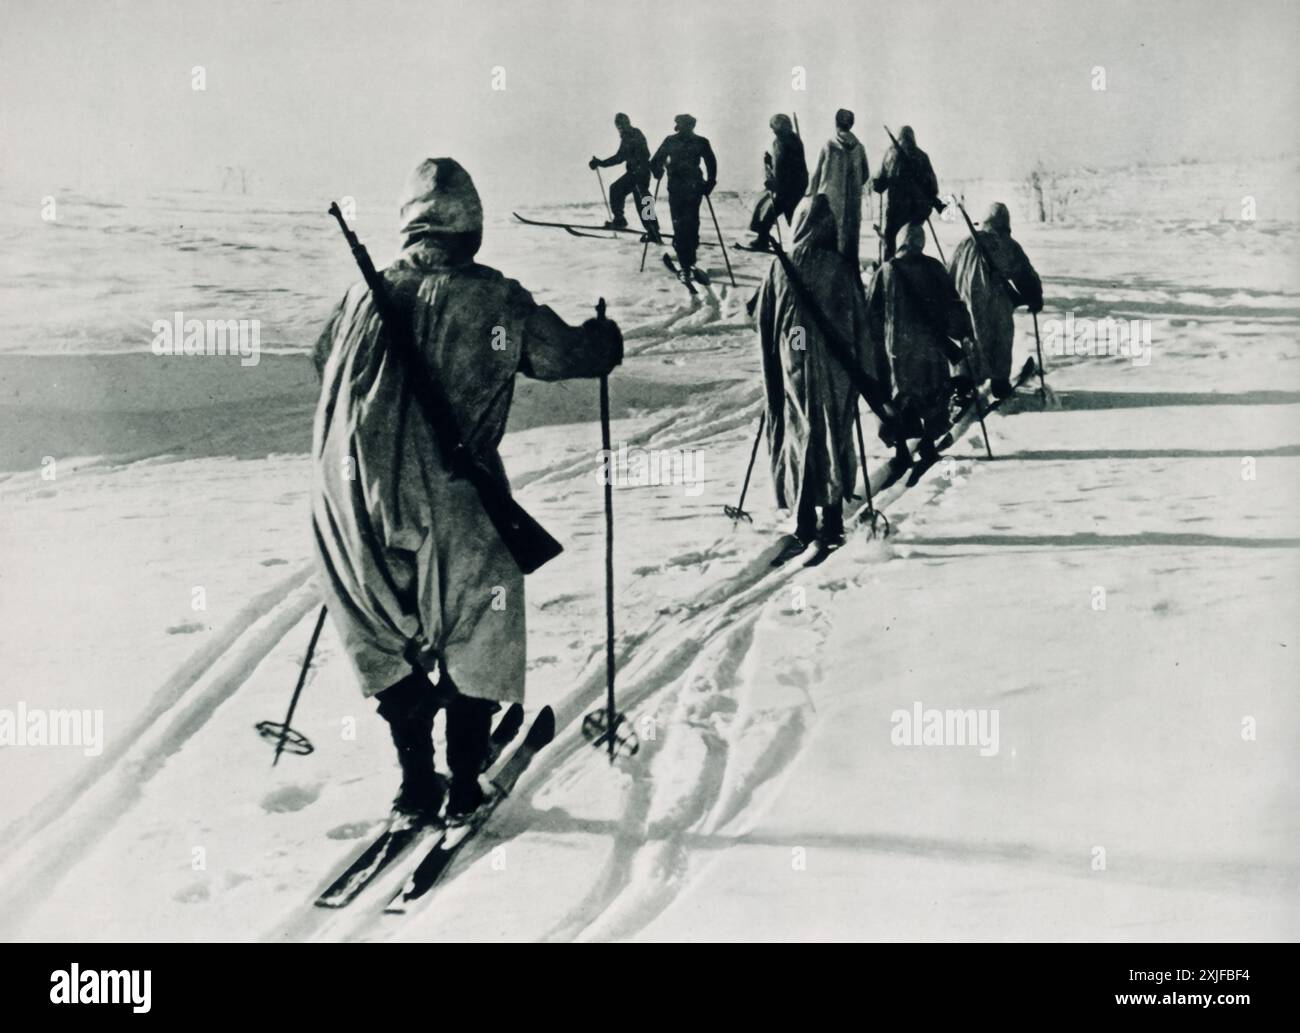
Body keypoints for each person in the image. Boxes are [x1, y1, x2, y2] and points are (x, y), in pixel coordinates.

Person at [310, 158, 623, 823]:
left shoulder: (359, 295)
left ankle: (414, 781)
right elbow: (564, 356)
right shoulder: (494, 300)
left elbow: (321, 362)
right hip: (448, 490)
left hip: (346, 500)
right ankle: (461, 778)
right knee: (482, 612)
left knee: (372, 627)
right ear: (470, 227)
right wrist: (602, 341)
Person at [756, 195, 878, 564]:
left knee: (799, 433)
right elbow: (858, 320)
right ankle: (832, 519)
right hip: (835, 369)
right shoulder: (839, 268)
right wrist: (867, 372)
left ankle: (804, 518)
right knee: (831, 432)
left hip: (793, 365)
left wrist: (778, 364)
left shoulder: (779, 267)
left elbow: (763, 320)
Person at [866, 224, 973, 476]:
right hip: (930, 346)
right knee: (934, 394)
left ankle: (902, 449)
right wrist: (963, 330)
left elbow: (872, 313)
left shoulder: (886, 270)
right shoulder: (934, 267)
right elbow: (952, 303)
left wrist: (873, 345)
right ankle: (927, 444)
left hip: (897, 347)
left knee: (901, 396)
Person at [948, 201, 1043, 398]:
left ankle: (964, 382)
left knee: (971, 338)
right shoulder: (1005, 244)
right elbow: (1024, 273)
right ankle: (999, 382)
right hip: (994, 301)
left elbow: (949, 272)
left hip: (964, 300)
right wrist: (1034, 297)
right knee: (1001, 336)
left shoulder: (965, 243)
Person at [650, 114, 717, 283]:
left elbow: (711, 163)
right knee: (686, 226)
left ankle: (687, 263)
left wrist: (710, 183)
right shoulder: (695, 141)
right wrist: (657, 170)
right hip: (685, 188)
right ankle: (687, 263)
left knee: (686, 226)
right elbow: (655, 161)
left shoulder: (688, 141)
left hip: (687, 188)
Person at [804, 108, 870, 263]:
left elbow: (816, 173)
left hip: (829, 202)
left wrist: (810, 195)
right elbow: (865, 175)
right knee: (849, 240)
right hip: (852, 204)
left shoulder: (829, 145)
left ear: (836, 123)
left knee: (829, 238)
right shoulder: (859, 148)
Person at [872, 125, 943, 260]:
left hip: (895, 213)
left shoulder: (890, 154)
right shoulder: (922, 156)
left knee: (891, 250)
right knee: (912, 248)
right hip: (916, 214)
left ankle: (889, 276)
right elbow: (933, 188)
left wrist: (876, 184)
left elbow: (880, 185)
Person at [589, 113, 661, 241]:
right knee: (619, 190)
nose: (620, 128)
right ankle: (622, 220)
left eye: (621, 125)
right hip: (635, 173)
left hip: (639, 174)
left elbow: (620, 157)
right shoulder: (632, 134)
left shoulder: (632, 135)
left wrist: (601, 163)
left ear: (626, 123)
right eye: (618, 126)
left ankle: (653, 230)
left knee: (643, 200)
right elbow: (624, 156)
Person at [745, 113, 808, 251]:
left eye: (774, 127)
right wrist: (770, 161)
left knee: (768, 212)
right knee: (791, 216)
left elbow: (781, 166)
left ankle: (763, 241)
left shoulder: (782, 142)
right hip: (796, 186)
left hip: (786, 188)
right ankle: (801, 244)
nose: (773, 130)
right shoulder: (794, 139)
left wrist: (774, 182)